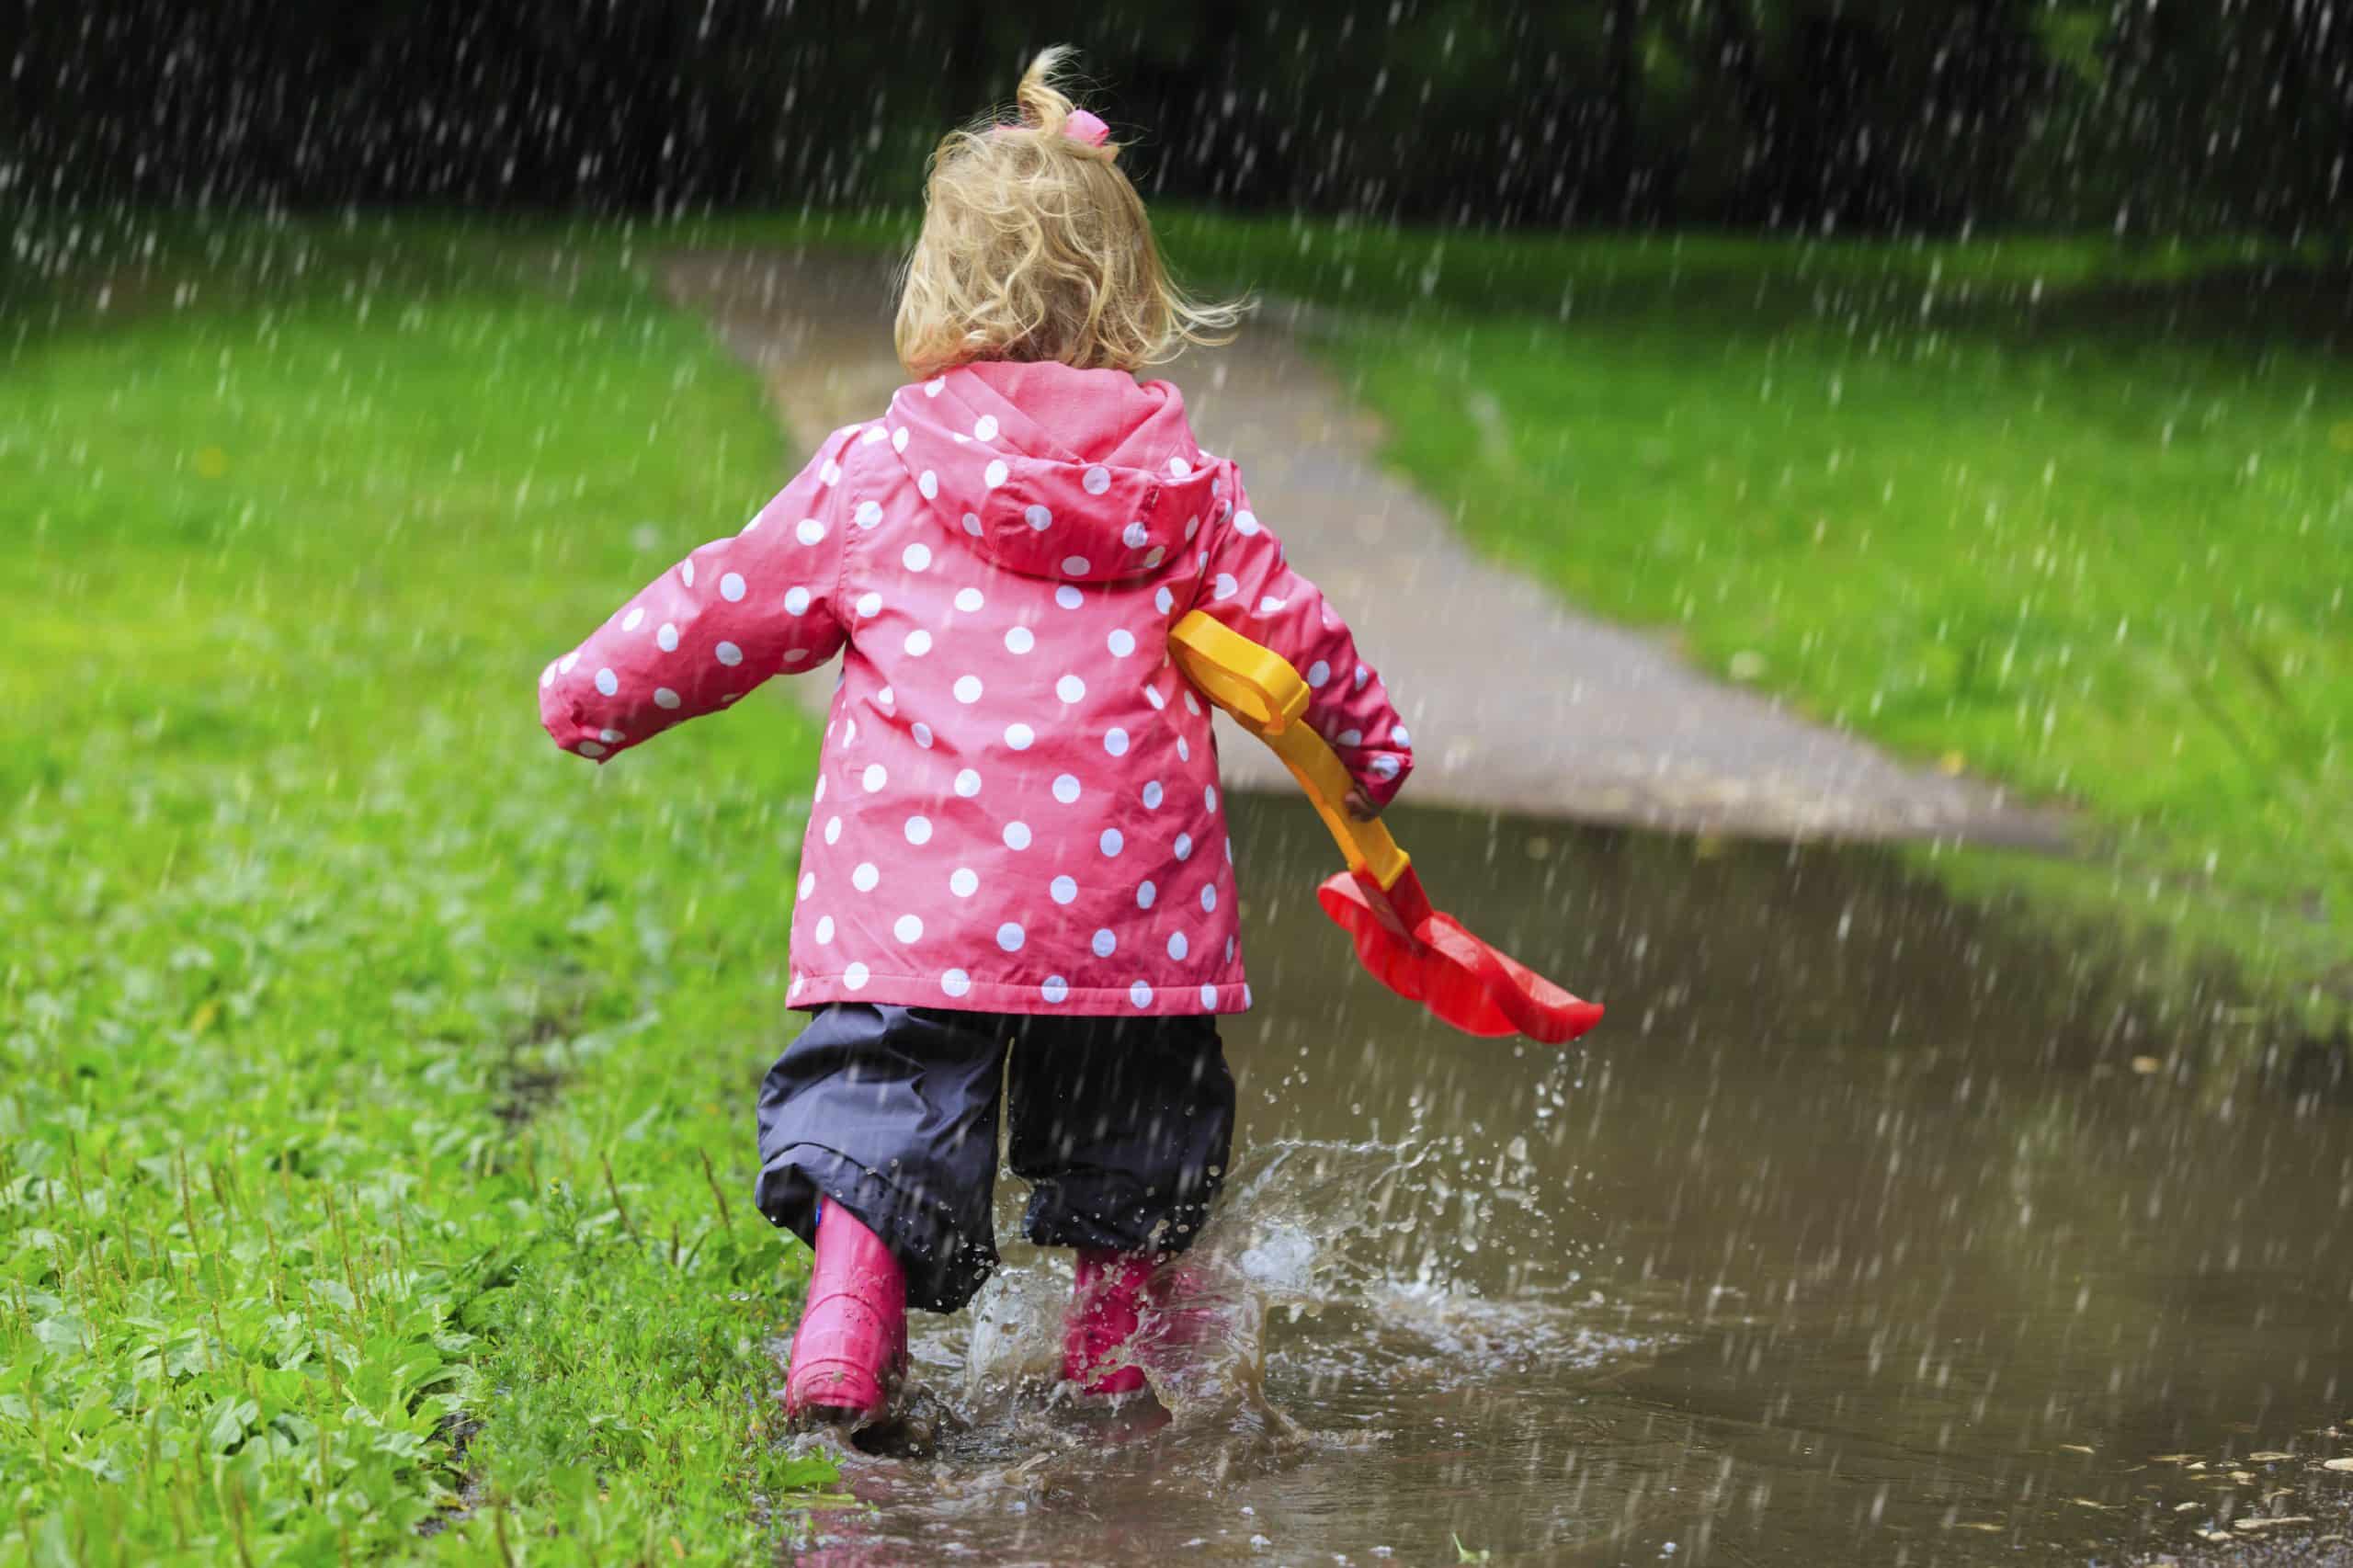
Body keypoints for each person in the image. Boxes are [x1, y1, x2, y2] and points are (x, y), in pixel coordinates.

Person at [536, 46, 1412, 1425]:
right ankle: (1113, 1345)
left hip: (919, 896)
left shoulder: (876, 475)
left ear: (937, 292)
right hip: (1128, 910)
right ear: (1131, 298)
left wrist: (594, 692)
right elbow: (1298, 649)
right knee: (1136, 1128)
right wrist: (1372, 754)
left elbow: (726, 604)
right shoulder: (1184, 494)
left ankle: (848, 1310)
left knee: (880, 1089)